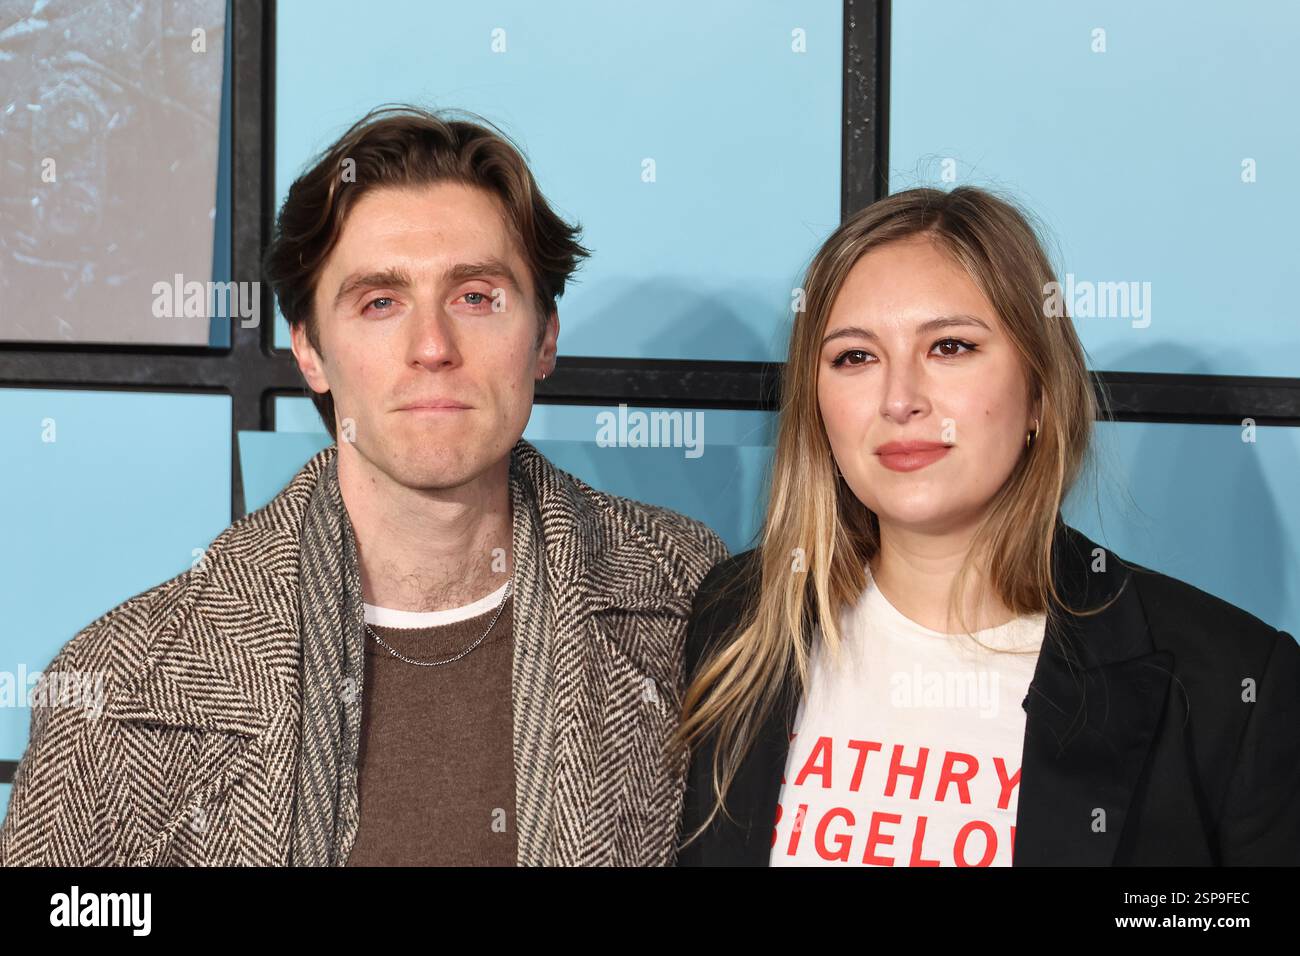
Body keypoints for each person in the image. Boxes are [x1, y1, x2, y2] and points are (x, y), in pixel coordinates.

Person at [0, 105, 728, 866]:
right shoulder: (120, 686)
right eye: (380, 302)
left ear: (544, 336)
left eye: (476, 296)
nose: (433, 347)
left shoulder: (695, 605)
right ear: (310, 352)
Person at [674, 186, 1300, 866]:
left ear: (1039, 392)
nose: (900, 400)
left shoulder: (1228, 686)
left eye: (950, 346)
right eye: (855, 357)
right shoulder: (725, 623)